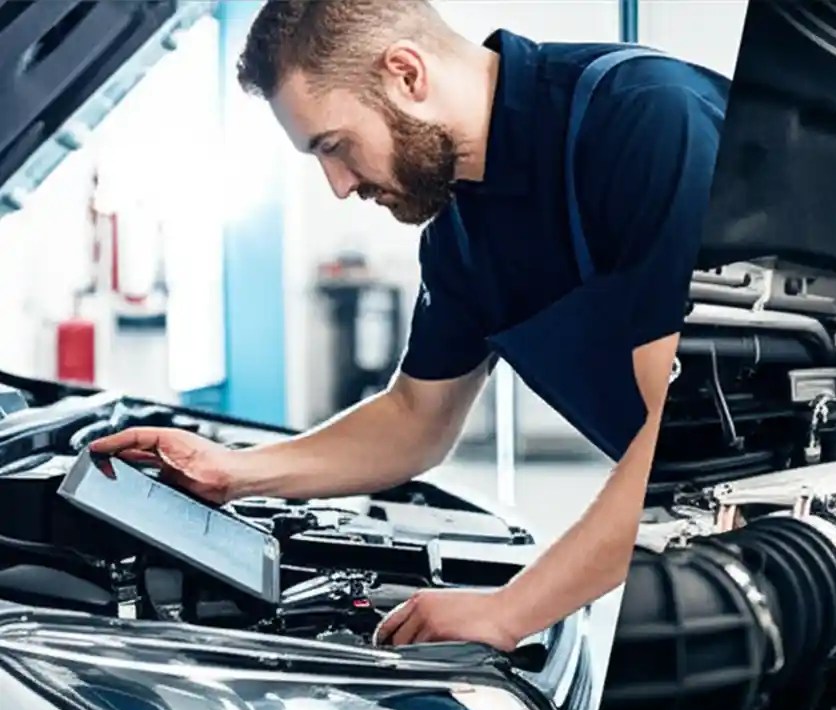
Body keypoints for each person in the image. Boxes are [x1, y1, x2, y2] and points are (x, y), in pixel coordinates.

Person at [89, 0, 727, 650]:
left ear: (406, 74)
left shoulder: (643, 121)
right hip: (697, 518)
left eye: (333, 146)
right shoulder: (460, 231)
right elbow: (415, 418)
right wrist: (235, 471)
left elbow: (666, 432)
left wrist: (510, 611)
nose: (337, 185)